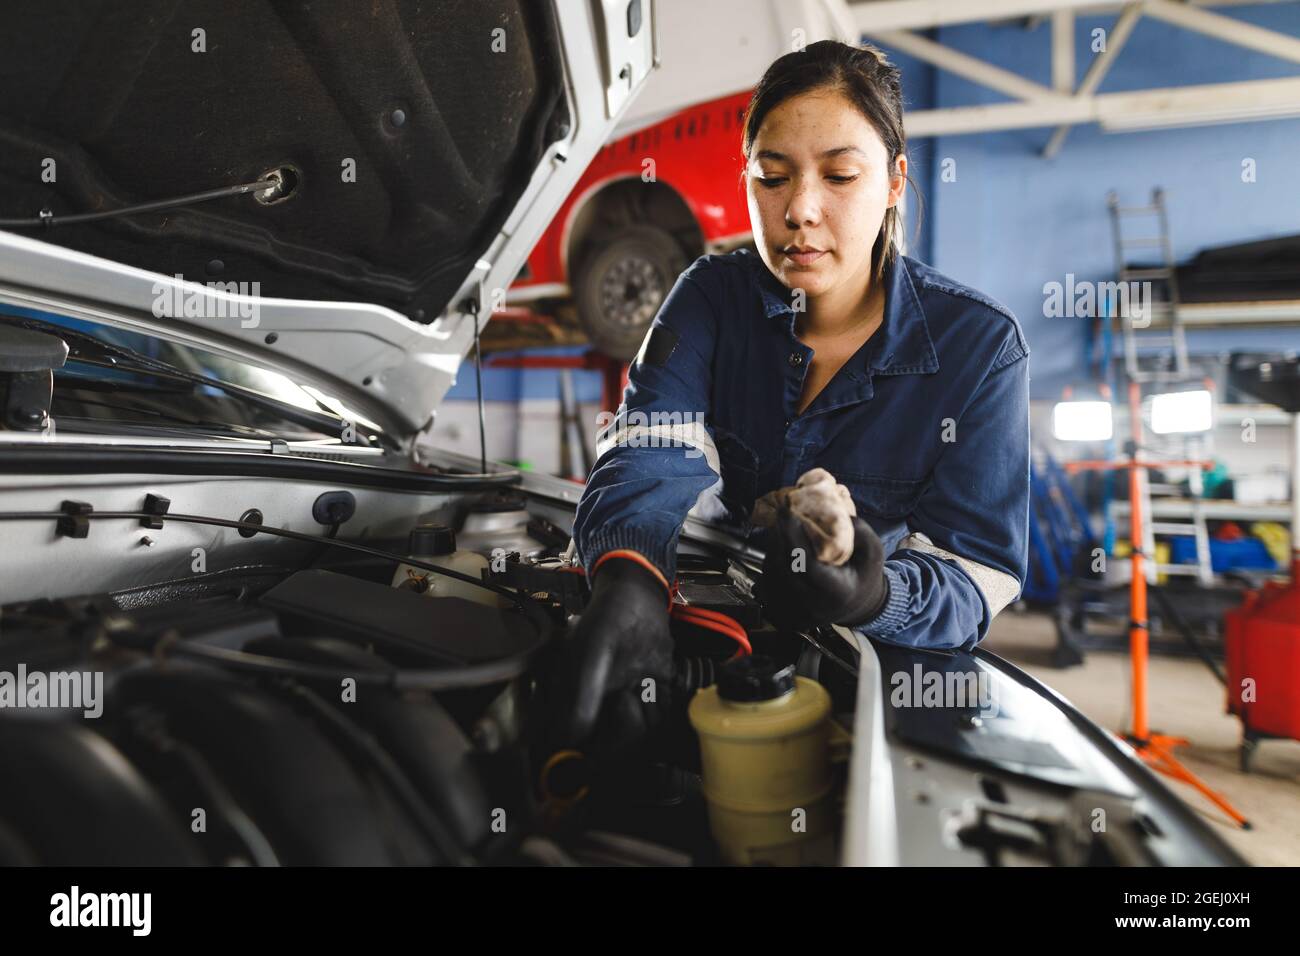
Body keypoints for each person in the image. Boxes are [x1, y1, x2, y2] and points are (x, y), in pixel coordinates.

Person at [556, 40, 1030, 749]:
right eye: (772, 178)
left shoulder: (980, 350)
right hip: (706, 641)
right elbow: (648, 451)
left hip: (866, 679)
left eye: (840, 175)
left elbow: (976, 574)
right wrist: (628, 580)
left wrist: (873, 591)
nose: (801, 210)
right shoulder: (710, 298)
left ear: (896, 181)